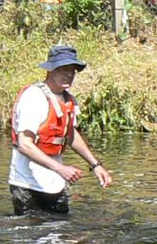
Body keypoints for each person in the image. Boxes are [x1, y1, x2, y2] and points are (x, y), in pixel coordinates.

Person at [8, 45, 112, 215]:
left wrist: (96, 165)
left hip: (54, 183)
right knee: (31, 235)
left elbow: (69, 134)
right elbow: (24, 144)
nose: (69, 75)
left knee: (61, 232)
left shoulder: (67, 99)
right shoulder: (34, 97)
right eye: (63, 69)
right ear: (50, 70)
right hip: (27, 184)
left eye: (72, 70)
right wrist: (60, 168)